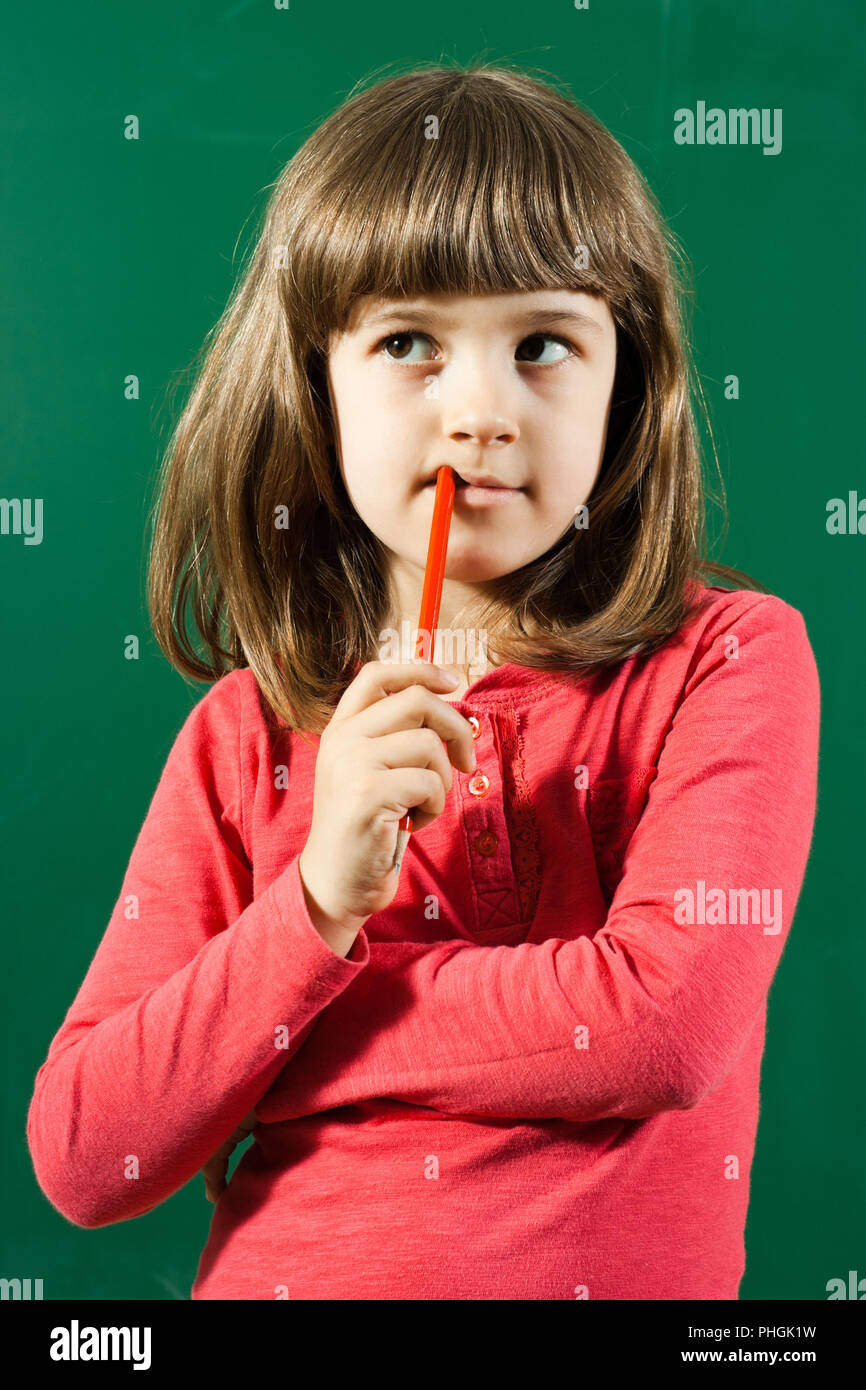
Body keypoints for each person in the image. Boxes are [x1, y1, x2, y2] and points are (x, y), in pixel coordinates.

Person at [26, 62, 820, 1300]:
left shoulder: (725, 657)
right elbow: (85, 1150)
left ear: (627, 387)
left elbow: (663, 1026)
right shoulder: (244, 736)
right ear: (314, 381)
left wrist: (283, 1035)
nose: (481, 413)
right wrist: (315, 903)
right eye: (407, 342)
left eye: (545, 343)